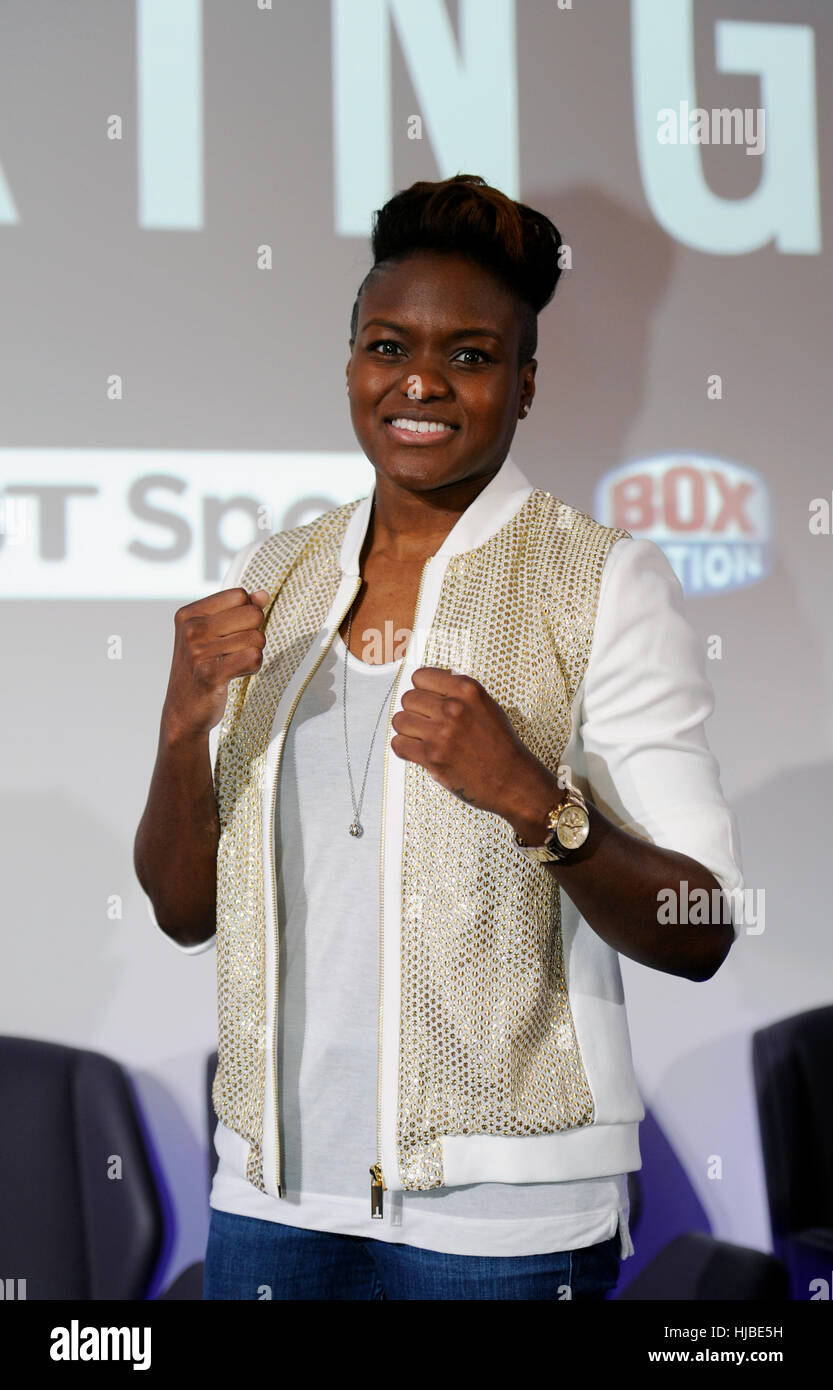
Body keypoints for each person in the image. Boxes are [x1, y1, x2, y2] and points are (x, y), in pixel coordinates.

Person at [134, 174, 743, 1302]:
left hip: (502, 1220)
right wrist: (181, 730)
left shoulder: (599, 581)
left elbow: (700, 926)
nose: (418, 381)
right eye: (385, 345)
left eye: (467, 355)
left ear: (523, 385)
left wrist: (534, 800)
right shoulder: (282, 573)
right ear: (352, 362)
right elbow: (182, 912)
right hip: (271, 1197)